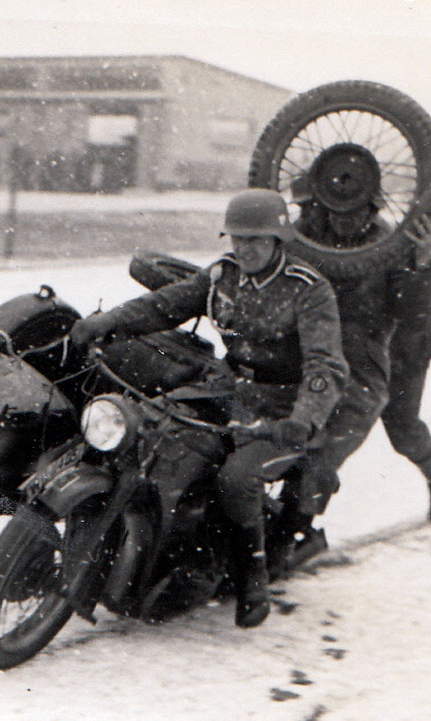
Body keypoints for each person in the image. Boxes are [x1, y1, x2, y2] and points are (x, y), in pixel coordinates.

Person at [70, 189, 348, 628]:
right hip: (227, 389)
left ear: (278, 239)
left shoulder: (308, 290)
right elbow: (166, 305)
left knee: (237, 479)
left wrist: (303, 419)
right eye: (238, 238)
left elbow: (325, 366)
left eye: (255, 240)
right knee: (152, 429)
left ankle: (252, 575)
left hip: (283, 409)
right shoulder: (224, 274)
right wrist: (112, 321)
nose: (245, 248)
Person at [288, 176, 431, 524]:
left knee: (403, 430)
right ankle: (298, 520)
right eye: (329, 209)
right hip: (347, 344)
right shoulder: (307, 236)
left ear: (373, 207)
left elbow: (414, 314)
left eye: (358, 211)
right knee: (325, 430)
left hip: (400, 345)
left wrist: (420, 259)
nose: (344, 218)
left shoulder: (389, 244)